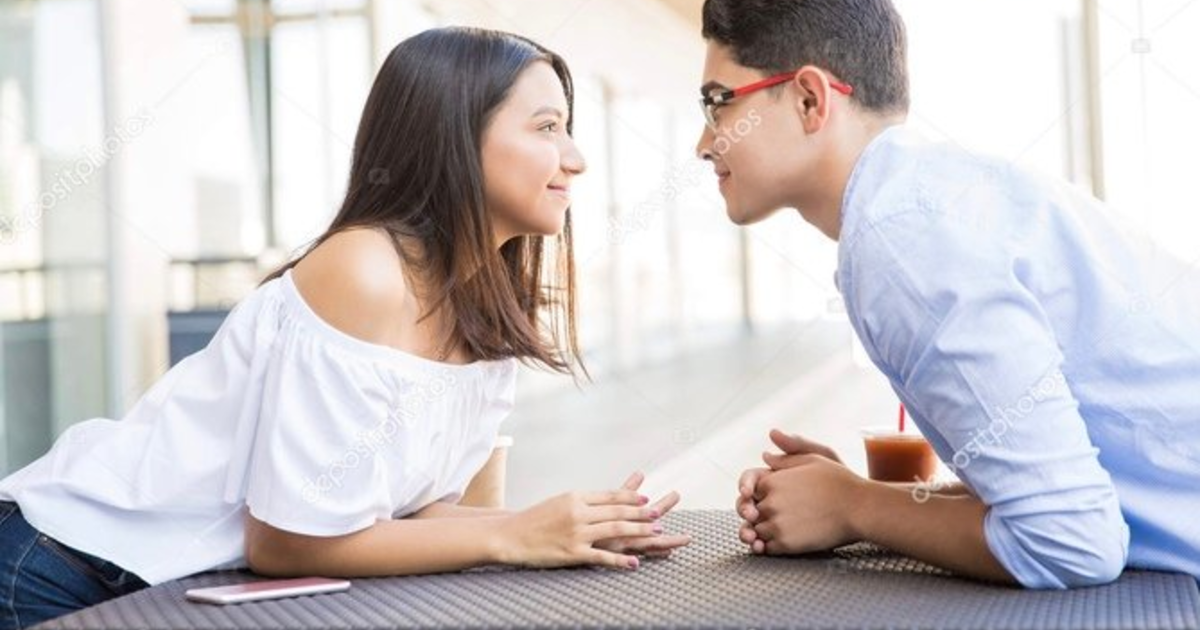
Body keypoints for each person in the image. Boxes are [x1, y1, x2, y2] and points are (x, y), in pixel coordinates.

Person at [0, 27, 690, 629]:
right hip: (61, 566)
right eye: (546, 127)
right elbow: (285, 540)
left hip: (166, 591)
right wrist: (511, 532)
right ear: (455, 135)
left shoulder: (485, 307)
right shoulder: (365, 269)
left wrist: (575, 527)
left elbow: (396, 523)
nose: (575, 158)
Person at [694, 0, 1200, 589]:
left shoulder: (903, 239)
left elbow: (1069, 541)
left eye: (717, 103)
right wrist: (867, 499)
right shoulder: (931, 201)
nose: (703, 144)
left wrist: (854, 506)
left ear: (810, 99)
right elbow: (1061, 479)